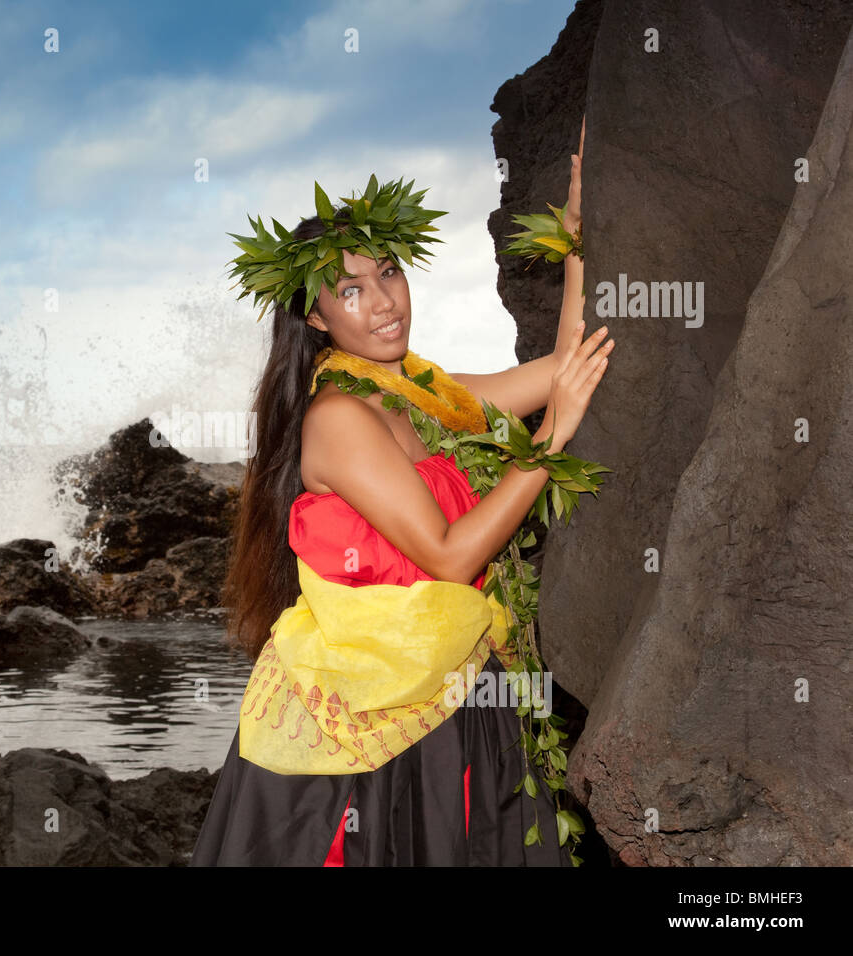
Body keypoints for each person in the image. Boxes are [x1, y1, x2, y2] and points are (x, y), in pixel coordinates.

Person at [191, 123, 609, 866]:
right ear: (316, 318)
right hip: (365, 725)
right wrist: (549, 444)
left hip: (458, 689)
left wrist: (574, 242)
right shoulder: (339, 418)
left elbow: (562, 368)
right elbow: (451, 557)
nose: (384, 303)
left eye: (389, 274)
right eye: (351, 291)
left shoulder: (413, 391)